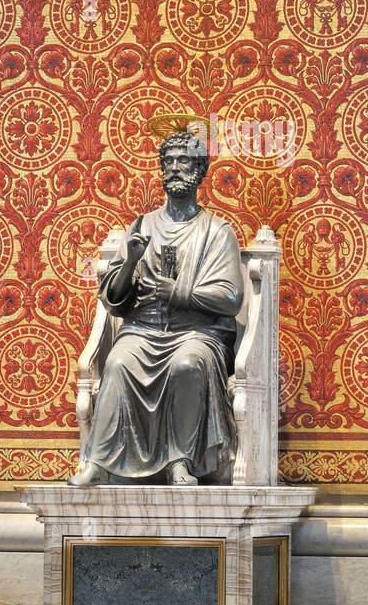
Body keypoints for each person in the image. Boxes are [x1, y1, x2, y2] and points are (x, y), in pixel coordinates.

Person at [69, 129, 244, 486]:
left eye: (184, 161)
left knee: (187, 364)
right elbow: (115, 302)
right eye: (169, 161)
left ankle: (181, 461)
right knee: (117, 363)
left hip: (198, 333)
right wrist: (131, 260)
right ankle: (98, 463)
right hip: (144, 330)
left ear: (199, 170)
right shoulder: (142, 226)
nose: (175, 168)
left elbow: (230, 297)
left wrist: (176, 291)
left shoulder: (217, 232)